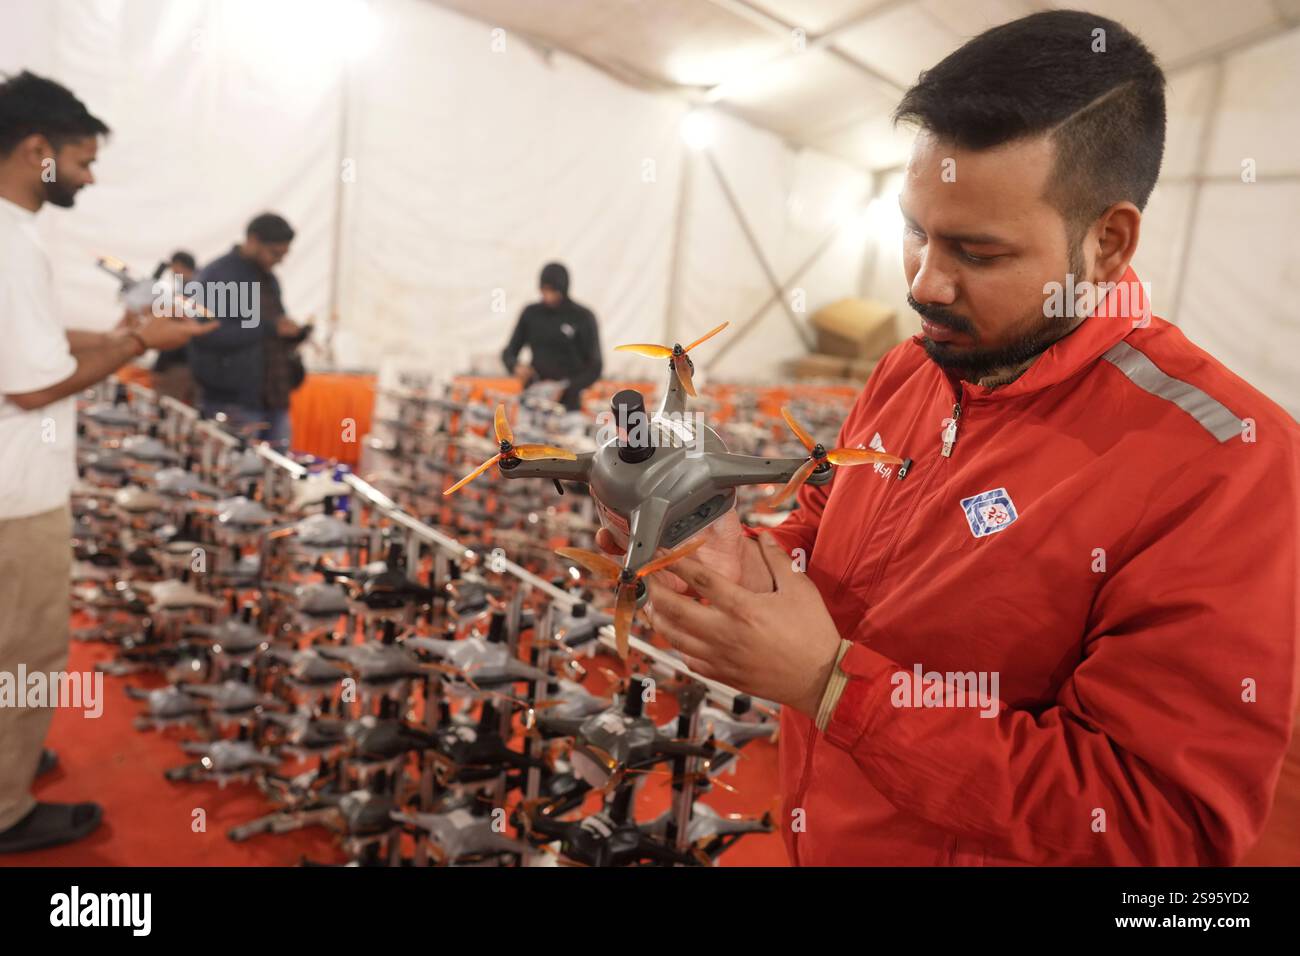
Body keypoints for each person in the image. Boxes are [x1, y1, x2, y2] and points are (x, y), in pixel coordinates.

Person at [613, 10, 1300, 865]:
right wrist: (724, 553)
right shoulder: (916, 368)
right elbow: (825, 538)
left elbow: (1160, 829)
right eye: (913, 230)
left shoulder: (1224, 462)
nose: (925, 283)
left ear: (1108, 242)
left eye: (976, 252)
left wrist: (835, 691)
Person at [0, 71, 214, 852]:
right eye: (82, 162)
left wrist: (131, 334)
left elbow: (39, 345)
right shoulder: (11, 244)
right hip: (15, 497)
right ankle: (7, 806)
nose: (90, 178)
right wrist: (135, 344)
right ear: (36, 150)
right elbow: (30, 389)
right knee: (25, 648)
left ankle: (9, 757)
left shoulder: (10, 236)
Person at [187, 213, 310, 446]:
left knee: (274, 475)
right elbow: (206, 333)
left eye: (283, 255)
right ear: (253, 241)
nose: (279, 261)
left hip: (273, 398)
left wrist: (291, 333)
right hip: (233, 402)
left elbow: (270, 328)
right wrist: (270, 329)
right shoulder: (219, 276)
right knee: (237, 475)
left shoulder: (268, 278)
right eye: (275, 253)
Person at [501, 262, 602, 411]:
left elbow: (595, 366)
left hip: (568, 407)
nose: (548, 296)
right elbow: (508, 352)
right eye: (544, 290)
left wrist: (567, 388)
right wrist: (516, 366)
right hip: (534, 401)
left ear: (563, 289)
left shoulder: (582, 317)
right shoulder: (531, 313)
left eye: (553, 291)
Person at [150, 250, 199, 404]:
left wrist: (159, 367)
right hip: (198, 367)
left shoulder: (185, 295)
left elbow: (174, 333)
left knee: (164, 410)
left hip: (178, 366)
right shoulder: (206, 288)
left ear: (178, 266)